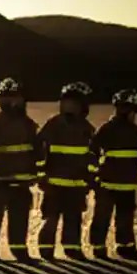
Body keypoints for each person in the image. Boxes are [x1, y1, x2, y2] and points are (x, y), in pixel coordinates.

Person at [0, 78, 41, 262]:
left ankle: (19, 251)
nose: (11, 102)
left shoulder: (29, 125)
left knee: (19, 219)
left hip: (22, 182)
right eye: (6, 98)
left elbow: (36, 151)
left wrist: (35, 174)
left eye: (14, 98)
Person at [35, 82, 96, 260]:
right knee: (51, 219)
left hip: (76, 185)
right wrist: (41, 174)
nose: (70, 107)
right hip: (54, 184)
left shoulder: (87, 129)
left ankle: (72, 248)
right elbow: (39, 149)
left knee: (73, 219)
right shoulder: (53, 125)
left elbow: (91, 155)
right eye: (67, 103)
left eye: (74, 104)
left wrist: (90, 178)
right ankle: (46, 249)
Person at [86, 89, 137, 259]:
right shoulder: (136, 132)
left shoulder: (109, 129)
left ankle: (102, 246)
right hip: (117, 182)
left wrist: (94, 175)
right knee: (117, 216)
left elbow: (92, 152)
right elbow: (93, 152)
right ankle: (118, 246)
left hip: (113, 182)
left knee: (109, 216)